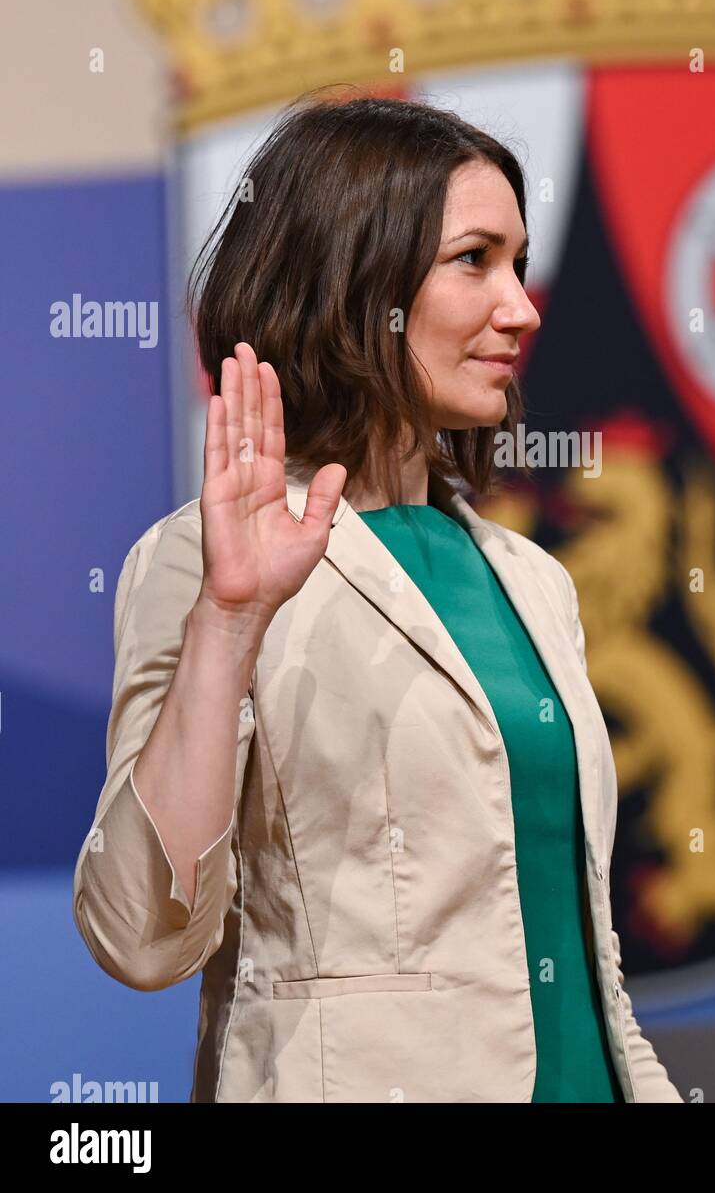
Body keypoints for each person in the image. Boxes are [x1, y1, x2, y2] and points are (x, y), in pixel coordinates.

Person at [72, 91, 683, 1104]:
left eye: (519, 263)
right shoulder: (197, 561)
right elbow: (139, 936)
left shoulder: (533, 579)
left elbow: (582, 960)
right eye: (474, 260)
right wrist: (229, 620)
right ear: (357, 280)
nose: (521, 307)